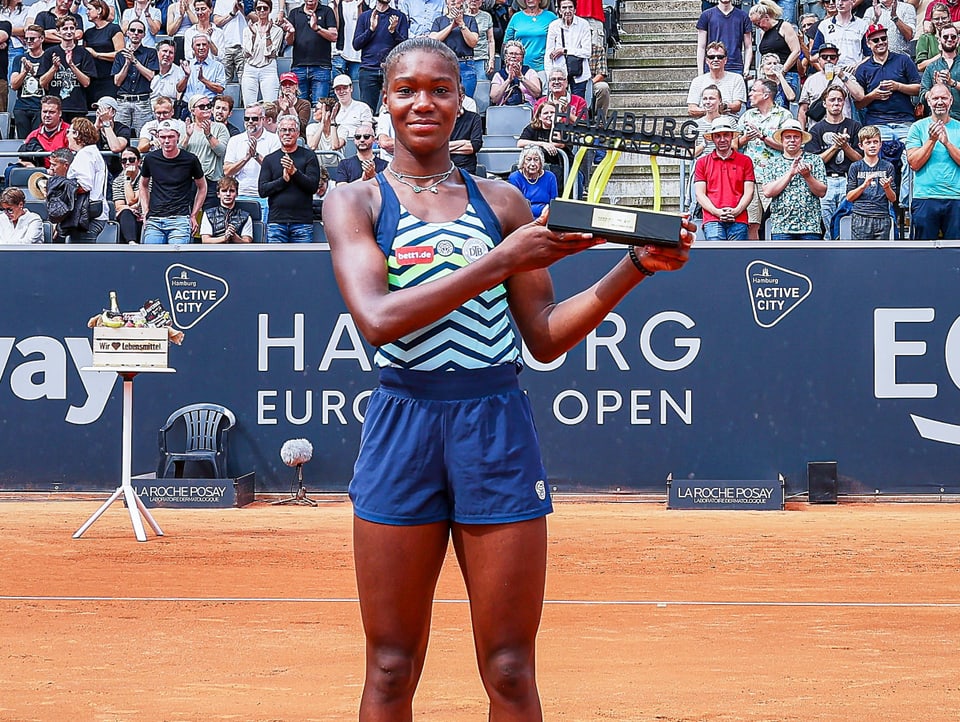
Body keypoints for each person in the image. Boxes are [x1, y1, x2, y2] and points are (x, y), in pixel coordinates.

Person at [322, 37, 692, 720]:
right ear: (386, 102)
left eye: (440, 88)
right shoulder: (356, 200)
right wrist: (499, 261)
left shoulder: (501, 202)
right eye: (406, 89)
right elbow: (377, 320)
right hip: (403, 425)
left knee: (512, 670)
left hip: (495, 422)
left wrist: (633, 268)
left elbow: (545, 337)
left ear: (462, 101)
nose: (423, 101)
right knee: (390, 667)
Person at [738, 78, 792, 238]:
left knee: (777, 219)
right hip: (750, 178)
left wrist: (763, 136)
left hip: (776, 178)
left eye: (754, 90)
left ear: (766, 94)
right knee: (752, 222)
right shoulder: (747, 116)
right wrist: (747, 138)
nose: (751, 94)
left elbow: (788, 146)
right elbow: (735, 144)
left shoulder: (784, 115)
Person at [806, 84, 862, 238]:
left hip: (849, 181)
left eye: (839, 100)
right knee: (827, 227)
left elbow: (861, 160)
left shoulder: (855, 126)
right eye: (832, 100)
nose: (836, 103)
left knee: (847, 226)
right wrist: (835, 147)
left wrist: (846, 147)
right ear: (825, 103)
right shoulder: (816, 130)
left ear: (844, 102)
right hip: (825, 182)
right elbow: (814, 161)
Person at [906, 82, 960, 239]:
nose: (940, 102)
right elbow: (914, 164)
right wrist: (931, 140)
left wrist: (947, 143)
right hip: (925, 198)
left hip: (956, 198)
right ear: (928, 101)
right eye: (935, 98)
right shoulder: (917, 128)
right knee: (923, 254)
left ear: (951, 101)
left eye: (944, 98)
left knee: (956, 254)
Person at [140, 118, 207, 243]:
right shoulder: (150, 159)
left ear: (178, 136)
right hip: (154, 218)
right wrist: (145, 211)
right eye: (163, 137)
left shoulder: (190, 159)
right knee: (151, 258)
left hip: (180, 219)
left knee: (177, 260)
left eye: (170, 136)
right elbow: (143, 184)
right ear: (158, 137)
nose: (166, 141)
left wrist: (194, 214)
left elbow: (202, 187)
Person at [759, 118, 828, 239]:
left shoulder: (815, 160)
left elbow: (821, 192)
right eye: (788, 137)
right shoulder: (772, 163)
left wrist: (807, 176)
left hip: (810, 226)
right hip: (781, 226)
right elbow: (768, 192)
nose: (792, 140)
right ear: (782, 140)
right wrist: (790, 174)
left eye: (796, 137)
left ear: (801, 140)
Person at [258, 115, 321, 243]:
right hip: (276, 222)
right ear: (278, 133)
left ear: (297, 133)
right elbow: (262, 190)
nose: (287, 133)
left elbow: (313, 186)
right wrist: (283, 180)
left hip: (302, 223)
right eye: (283, 130)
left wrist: (295, 172)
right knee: (276, 262)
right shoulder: (270, 159)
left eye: (291, 130)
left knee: (302, 262)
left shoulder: (309, 156)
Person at [693, 115, 755, 240]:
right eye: (718, 136)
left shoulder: (745, 161)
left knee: (739, 258)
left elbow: (749, 191)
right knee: (716, 257)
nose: (722, 139)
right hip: (712, 219)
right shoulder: (702, 162)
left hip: (739, 218)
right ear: (712, 139)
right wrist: (717, 212)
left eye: (726, 135)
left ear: (732, 136)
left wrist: (737, 211)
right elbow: (700, 194)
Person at [855, 24, 921, 139]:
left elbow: (919, 89)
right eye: (875, 40)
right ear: (868, 44)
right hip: (876, 123)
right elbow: (858, 105)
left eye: (883, 38)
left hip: (904, 121)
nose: (880, 42)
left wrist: (898, 86)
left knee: (909, 156)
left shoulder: (903, 60)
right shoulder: (863, 69)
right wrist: (873, 95)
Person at [223, 102, 280, 222]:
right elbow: (227, 171)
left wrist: (256, 156)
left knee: (263, 236)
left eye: (254, 118)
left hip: (265, 197)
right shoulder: (235, 140)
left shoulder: (274, 140)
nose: (250, 121)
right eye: (246, 118)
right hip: (239, 196)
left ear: (263, 119)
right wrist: (246, 158)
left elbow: (276, 170)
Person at [353, 0, 409, 112]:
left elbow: (405, 47)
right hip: (368, 69)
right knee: (367, 112)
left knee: (394, 110)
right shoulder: (365, 16)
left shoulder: (399, 16)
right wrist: (370, 30)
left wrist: (393, 31)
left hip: (391, 70)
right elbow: (356, 44)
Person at [38, 15, 94, 122]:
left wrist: (72, 65)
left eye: (72, 28)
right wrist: (54, 67)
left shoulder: (84, 53)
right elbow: (42, 82)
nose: (69, 32)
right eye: (65, 29)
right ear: (58, 31)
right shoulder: (49, 53)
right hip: (55, 108)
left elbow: (86, 82)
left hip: (77, 107)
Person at [845, 124, 897, 239]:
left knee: (881, 255)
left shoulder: (888, 166)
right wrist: (864, 185)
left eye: (875, 142)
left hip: (882, 216)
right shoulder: (855, 167)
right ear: (861, 146)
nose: (872, 146)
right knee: (861, 254)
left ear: (880, 144)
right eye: (868, 143)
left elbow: (893, 198)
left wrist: (887, 187)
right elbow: (849, 197)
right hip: (861, 216)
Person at [796, 41, 863, 128]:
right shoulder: (811, 80)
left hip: (842, 129)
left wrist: (843, 77)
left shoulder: (846, 76)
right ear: (819, 60)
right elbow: (803, 109)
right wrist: (802, 134)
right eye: (824, 57)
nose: (828, 59)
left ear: (837, 59)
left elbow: (860, 96)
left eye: (832, 57)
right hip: (817, 131)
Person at [64, 117, 109, 243]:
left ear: (77, 134)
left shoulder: (85, 154)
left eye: (69, 131)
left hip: (88, 217)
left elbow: (84, 185)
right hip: (92, 215)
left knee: (82, 260)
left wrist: (62, 189)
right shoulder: (92, 151)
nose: (67, 135)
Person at [284, 0, 337, 103]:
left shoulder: (327, 11)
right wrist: (290, 32)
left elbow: (334, 36)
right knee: (299, 107)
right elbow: (289, 42)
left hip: (321, 67)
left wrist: (317, 28)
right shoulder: (295, 12)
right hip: (299, 67)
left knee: (319, 107)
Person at [112, 19, 160, 134]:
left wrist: (134, 61)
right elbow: (117, 82)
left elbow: (150, 76)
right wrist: (127, 63)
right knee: (120, 136)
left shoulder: (151, 53)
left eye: (139, 31)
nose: (136, 33)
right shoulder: (120, 55)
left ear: (143, 35)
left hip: (142, 101)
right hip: (123, 102)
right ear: (127, 33)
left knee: (144, 136)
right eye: (132, 30)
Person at [182, 92, 228, 208]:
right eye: (202, 107)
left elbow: (221, 151)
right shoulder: (187, 128)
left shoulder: (220, 128)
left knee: (211, 218)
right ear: (193, 111)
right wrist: (187, 137)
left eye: (209, 105)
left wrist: (208, 135)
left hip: (212, 181)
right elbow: (178, 153)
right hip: (190, 181)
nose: (207, 109)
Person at [750, 0, 802, 98]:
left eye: (758, 23)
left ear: (766, 17)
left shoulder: (784, 26)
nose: (758, 27)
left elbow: (796, 51)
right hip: (769, 76)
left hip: (788, 75)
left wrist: (783, 71)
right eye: (755, 25)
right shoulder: (763, 33)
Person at [430, 0, 479, 98]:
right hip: (443, 65)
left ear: (461, 2)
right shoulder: (439, 21)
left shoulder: (470, 20)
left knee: (466, 99)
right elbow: (433, 40)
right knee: (444, 98)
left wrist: (461, 24)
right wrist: (451, 26)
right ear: (446, 3)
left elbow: (473, 42)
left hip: (465, 64)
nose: (453, 1)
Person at [241, 0, 284, 106]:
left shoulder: (277, 30)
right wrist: (254, 36)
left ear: (270, 10)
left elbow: (271, 53)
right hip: (250, 68)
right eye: (259, 8)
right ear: (255, 10)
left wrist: (268, 34)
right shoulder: (248, 30)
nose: (262, 11)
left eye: (265, 8)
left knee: (270, 106)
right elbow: (247, 53)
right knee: (249, 106)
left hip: (268, 68)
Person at [687, 41, 746, 118]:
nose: (715, 59)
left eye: (720, 57)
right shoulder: (697, 81)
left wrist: (724, 107)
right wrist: (713, 110)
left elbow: (737, 106)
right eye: (711, 57)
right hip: (704, 123)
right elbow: (691, 109)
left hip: (728, 122)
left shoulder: (736, 78)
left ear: (725, 60)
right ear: (707, 60)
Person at [518, 100, 571, 187]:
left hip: (560, 164)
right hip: (540, 164)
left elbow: (557, 143)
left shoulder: (563, 128)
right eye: (546, 113)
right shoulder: (532, 127)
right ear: (539, 116)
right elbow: (520, 143)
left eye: (553, 112)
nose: (549, 115)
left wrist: (555, 124)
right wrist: (543, 144)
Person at [83, 0, 123, 107]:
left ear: (99, 10)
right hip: (93, 79)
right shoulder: (88, 33)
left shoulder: (113, 29)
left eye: (89, 9)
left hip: (109, 78)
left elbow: (120, 54)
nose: (87, 12)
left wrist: (97, 54)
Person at [696, 0, 753, 75]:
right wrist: (700, 72)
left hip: (735, 67)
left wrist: (746, 68)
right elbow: (701, 46)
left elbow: (748, 46)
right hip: (712, 66)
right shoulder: (706, 15)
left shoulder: (743, 16)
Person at [10, 25, 47, 139]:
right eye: (26, 39)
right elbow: (14, 85)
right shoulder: (19, 59)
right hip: (22, 106)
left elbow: (49, 85)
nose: (29, 41)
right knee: (23, 141)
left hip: (40, 107)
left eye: (32, 39)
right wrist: (25, 71)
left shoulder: (48, 58)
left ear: (41, 39)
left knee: (39, 141)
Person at [503, 0, 557, 73]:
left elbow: (559, 39)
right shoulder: (516, 17)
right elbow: (507, 43)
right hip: (519, 67)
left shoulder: (550, 17)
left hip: (543, 67)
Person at [920, 22, 960, 119]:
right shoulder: (931, 67)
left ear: (958, 40)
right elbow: (922, 95)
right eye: (945, 37)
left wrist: (952, 83)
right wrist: (937, 88)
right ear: (939, 40)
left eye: (953, 37)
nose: (950, 39)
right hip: (937, 119)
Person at [200, 175, 254, 242]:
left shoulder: (245, 216)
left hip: (237, 251)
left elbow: (247, 242)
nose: (228, 194)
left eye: (231, 191)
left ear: (236, 194)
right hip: (215, 251)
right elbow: (205, 240)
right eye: (224, 191)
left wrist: (235, 237)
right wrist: (224, 238)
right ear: (218, 194)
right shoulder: (208, 214)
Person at [20, 95, 69, 167]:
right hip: (38, 175)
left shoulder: (70, 132)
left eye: (52, 112)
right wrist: (29, 165)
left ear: (60, 113)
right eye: (44, 112)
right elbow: (21, 160)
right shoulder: (33, 135)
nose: (47, 115)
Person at [507, 144, 557, 215]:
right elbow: (515, 206)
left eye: (536, 159)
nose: (532, 163)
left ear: (541, 162)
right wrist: (541, 209)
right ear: (523, 162)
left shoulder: (550, 177)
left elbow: (554, 205)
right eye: (529, 159)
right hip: (523, 219)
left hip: (546, 218)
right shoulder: (515, 178)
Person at [489, 39, 542, 106]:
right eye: (511, 54)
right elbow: (494, 99)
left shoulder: (530, 72)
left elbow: (537, 93)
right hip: (504, 108)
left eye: (517, 54)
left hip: (526, 107)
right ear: (505, 56)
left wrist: (521, 77)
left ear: (522, 57)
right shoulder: (499, 75)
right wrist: (508, 80)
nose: (513, 56)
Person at [328, 73, 374, 150]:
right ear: (335, 91)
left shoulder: (363, 107)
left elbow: (367, 131)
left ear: (351, 88)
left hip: (357, 146)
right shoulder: (331, 109)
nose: (341, 91)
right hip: (334, 145)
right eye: (338, 89)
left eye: (345, 88)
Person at [92, 96, 133, 180]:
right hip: (97, 172)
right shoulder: (93, 128)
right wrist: (96, 127)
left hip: (118, 173)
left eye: (102, 109)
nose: (99, 113)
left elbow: (115, 148)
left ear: (113, 112)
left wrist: (106, 124)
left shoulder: (122, 129)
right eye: (98, 109)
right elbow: (83, 146)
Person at [113, 146, 145, 243]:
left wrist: (127, 180)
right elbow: (119, 206)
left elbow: (132, 200)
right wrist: (127, 179)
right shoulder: (117, 181)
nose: (127, 163)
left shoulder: (146, 178)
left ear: (139, 161)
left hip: (144, 216)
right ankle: (131, 243)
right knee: (126, 213)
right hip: (127, 218)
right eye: (123, 160)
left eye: (131, 159)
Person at [181, 34, 227, 101]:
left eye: (204, 44)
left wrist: (203, 79)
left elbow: (220, 89)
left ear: (208, 46)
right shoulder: (186, 65)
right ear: (192, 47)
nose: (201, 47)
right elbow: (179, 89)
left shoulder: (218, 66)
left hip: (208, 105)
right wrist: (186, 76)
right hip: (188, 105)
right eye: (198, 45)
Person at [212, 0, 247, 84]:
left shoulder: (246, 1)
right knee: (224, 81)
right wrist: (233, 12)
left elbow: (256, 19)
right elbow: (217, 21)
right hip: (226, 45)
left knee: (245, 81)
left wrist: (242, 10)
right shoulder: (221, 1)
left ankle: (243, 98)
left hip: (244, 45)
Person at [916, 3, 952, 71]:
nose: (940, 21)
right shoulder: (926, 38)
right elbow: (920, 66)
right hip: (932, 76)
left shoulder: (956, 39)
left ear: (949, 17)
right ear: (931, 20)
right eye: (936, 19)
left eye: (944, 18)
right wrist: (943, 54)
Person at [150, 38, 186, 105]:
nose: (167, 55)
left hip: (170, 110)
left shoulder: (180, 72)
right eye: (164, 51)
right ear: (157, 52)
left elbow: (179, 95)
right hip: (148, 109)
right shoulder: (148, 69)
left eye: (171, 52)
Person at [450, 104, 483, 173]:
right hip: (442, 168)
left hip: (466, 168)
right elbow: (433, 147)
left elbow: (474, 146)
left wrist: (443, 148)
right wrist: (464, 143)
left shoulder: (474, 118)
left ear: (462, 97)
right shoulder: (439, 118)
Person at [466, 0, 494, 82]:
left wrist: (491, 60)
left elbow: (491, 40)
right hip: (464, 59)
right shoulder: (461, 16)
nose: (473, 1)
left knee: (481, 87)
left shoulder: (486, 16)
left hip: (481, 58)